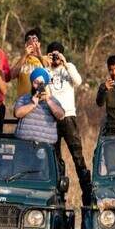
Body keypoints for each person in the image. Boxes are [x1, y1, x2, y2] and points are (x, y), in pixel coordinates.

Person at [45, 41, 94, 205]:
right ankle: (59, 196)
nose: (55, 57)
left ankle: (87, 192)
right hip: (51, 118)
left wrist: (65, 63)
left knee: (77, 154)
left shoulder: (68, 67)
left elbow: (78, 81)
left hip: (68, 116)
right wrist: (45, 63)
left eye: (58, 54)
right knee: (55, 157)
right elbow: (39, 84)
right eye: (52, 54)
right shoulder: (46, 70)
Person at [14, 68, 65, 146]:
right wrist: (32, 104)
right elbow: (17, 113)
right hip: (23, 144)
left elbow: (61, 116)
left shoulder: (52, 100)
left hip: (45, 147)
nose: (38, 86)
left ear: (46, 84)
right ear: (32, 83)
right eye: (36, 82)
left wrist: (48, 101)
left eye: (41, 83)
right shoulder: (24, 98)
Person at [11, 27, 51, 100]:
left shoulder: (45, 58)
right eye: (28, 39)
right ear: (25, 44)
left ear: (39, 43)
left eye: (34, 39)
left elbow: (48, 70)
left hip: (41, 101)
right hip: (23, 101)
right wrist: (25, 55)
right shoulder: (18, 59)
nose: (31, 41)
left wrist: (39, 53)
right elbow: (12, 75)